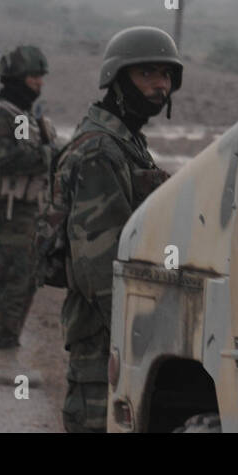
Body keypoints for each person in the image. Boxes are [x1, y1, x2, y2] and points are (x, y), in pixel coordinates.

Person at [55, 26, 180, 433]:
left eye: (165, 75)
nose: (159, 85)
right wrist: (139, 339)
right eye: (146, 74)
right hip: (105, 338)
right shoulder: (99, 150)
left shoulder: (125, 141)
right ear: (117, 78)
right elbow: (99, 267)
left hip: (119, 333)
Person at [0, 44, 55, 384]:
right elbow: (5, 159)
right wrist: (50, 155)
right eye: (33, 77)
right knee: (10, 281)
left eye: (40, 76)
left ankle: (3, 357)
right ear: (16, 79)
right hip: (6, 215)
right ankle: (5, 360)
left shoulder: (26, 117)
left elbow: (35, 151)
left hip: (25, 213)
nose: (38, 83)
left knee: (23, 280)